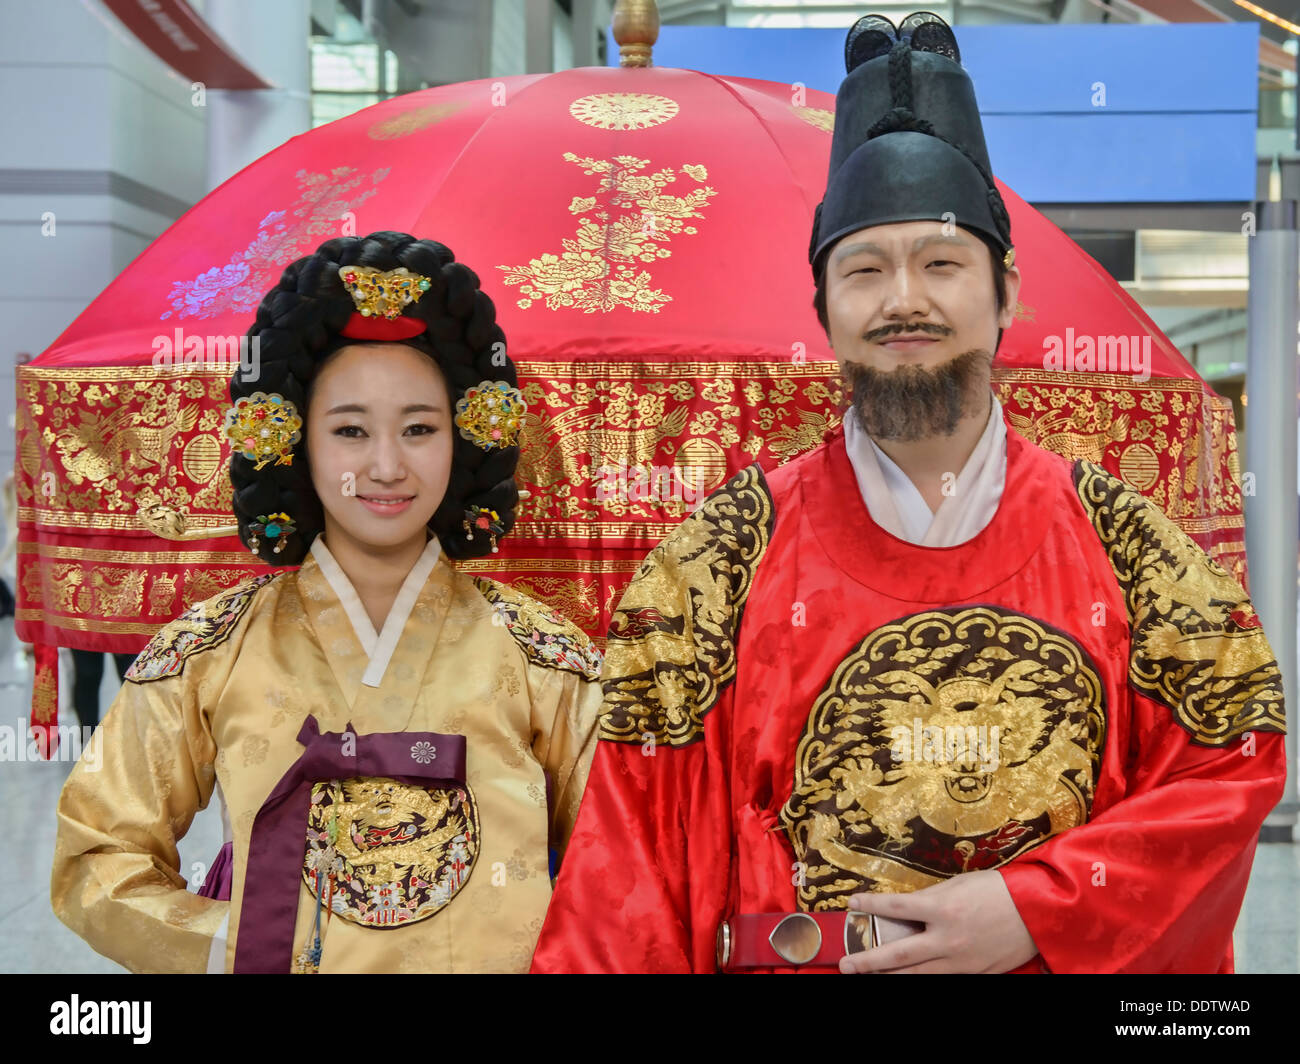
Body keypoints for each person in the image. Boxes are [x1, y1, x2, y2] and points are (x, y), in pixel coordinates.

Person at [530, 13, 1287, 975]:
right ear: (825, 310)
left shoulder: (1131, 550)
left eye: (941, 264)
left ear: (1006, 292)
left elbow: (1231, 764)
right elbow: (621, 887)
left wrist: (1040, 909)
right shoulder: (711, 569)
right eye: (865, 270)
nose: (903, 302)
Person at [52, 231, 604, 973]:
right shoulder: (213, 650)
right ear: (295, 442)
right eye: (349, 431)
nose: (386, 466)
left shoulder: (544, 656)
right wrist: (234, 949)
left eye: (419, 429)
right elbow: (96, 855)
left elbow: (636, 861)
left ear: (465, 437)